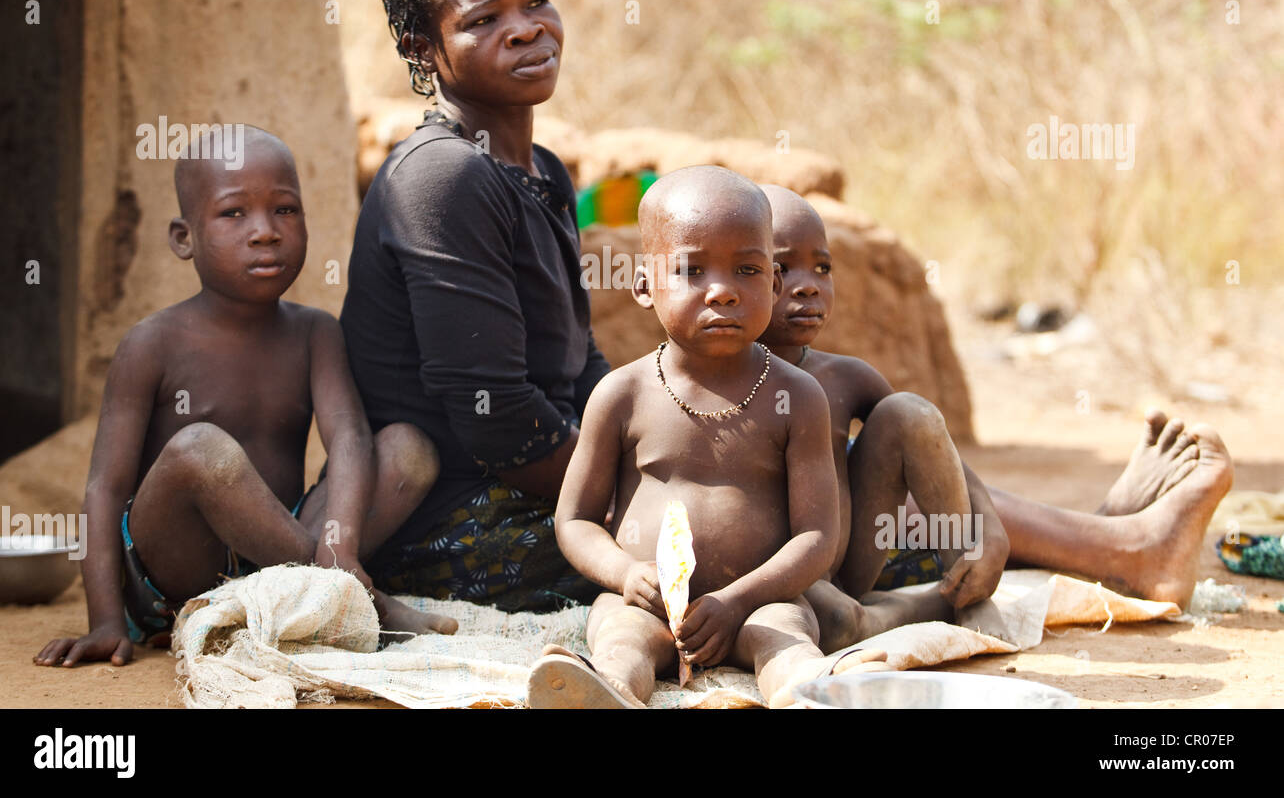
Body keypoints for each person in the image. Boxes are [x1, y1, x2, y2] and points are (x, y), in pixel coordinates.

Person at [34, 129, 454, 669]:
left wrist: (340, 543)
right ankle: (355, 600)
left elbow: (348, 439)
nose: (265, 233)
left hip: (280, 550)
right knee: (201, 449)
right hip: (175, 572)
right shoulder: (151, 343)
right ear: (184, 238)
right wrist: (107, 620)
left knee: (407, 448)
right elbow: (105, 487)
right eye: (234, 214)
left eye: (285, 209)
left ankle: (322, 586)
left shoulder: (315, 333)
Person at [756, 185, 1236, 651]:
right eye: (781, 268)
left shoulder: (844, 377)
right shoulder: (710, 385)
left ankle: (991, 581)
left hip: (852, 563)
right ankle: (951, 599)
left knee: (910, 412)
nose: (807, 286)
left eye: (823, 268)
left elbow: (932, 453)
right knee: (834, 619)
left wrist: (985, 531)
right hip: (795, 588)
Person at [527, 167, 891, 709]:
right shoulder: (621, 394)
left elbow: (816, 537)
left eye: (746, 269)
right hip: (644, 606)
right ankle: (609, 693)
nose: (721, 291)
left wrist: (737, 599)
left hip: (760, 602)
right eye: (691, 269)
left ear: (771, 284)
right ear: (645, 285)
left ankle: (806, 696)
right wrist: (626, 574)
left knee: (787, 644)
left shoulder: (797, 396)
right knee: (620, 639)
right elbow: (575, 520)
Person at [341, 0, 609, 611]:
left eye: (536, 2)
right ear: (423, 52)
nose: (525, 31)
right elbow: (497, 420)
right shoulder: (444, 177)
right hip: (451, 525)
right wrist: (623, 492)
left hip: (548, 482)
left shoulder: (544, 170)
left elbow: (579, 360)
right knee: (738, 537)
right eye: (484, 20)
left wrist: (659, 443)